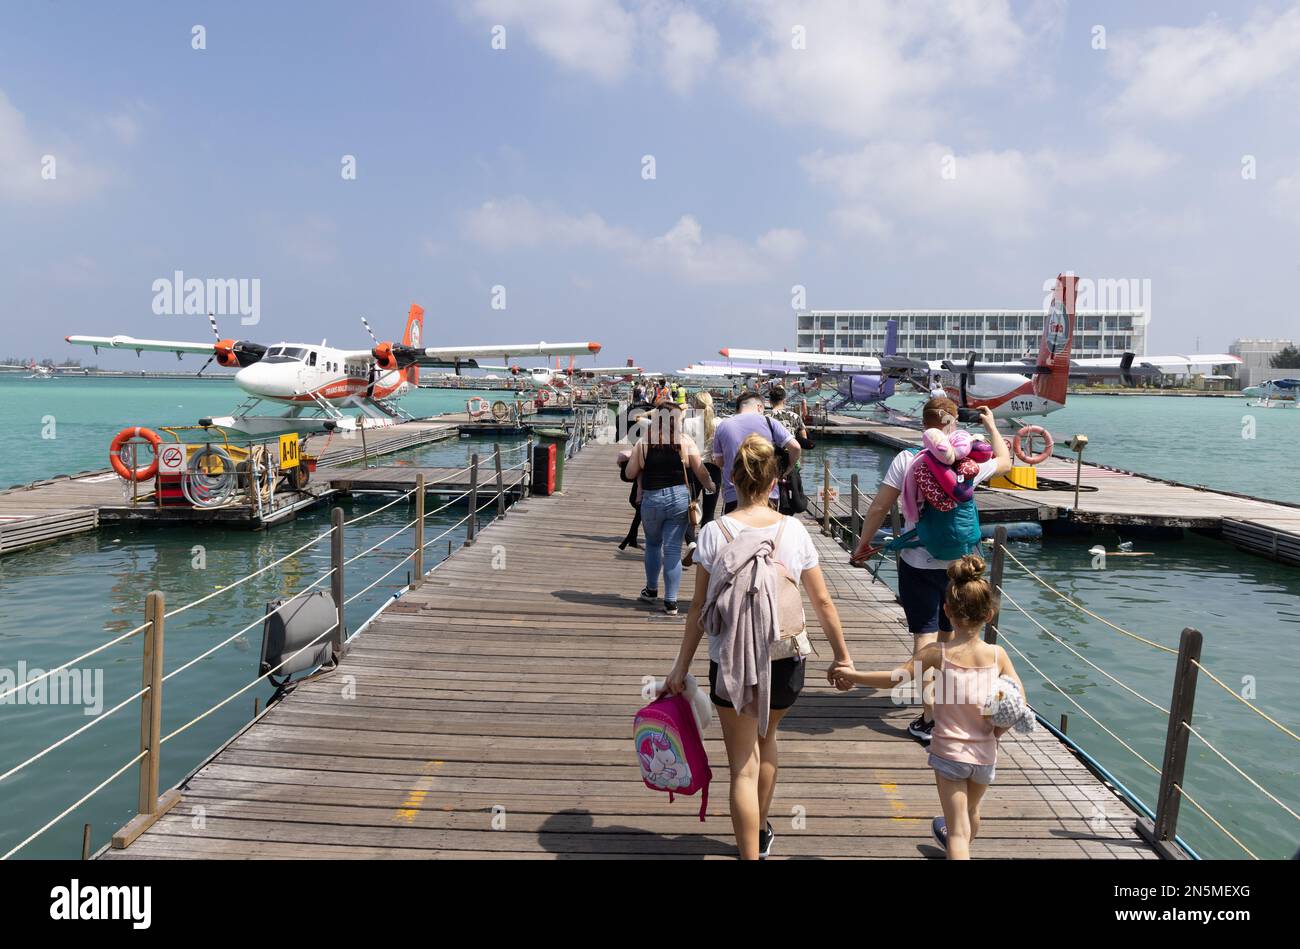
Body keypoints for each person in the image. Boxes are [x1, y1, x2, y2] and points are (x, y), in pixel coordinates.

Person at [665, 435, 855, 859]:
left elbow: (698, 607)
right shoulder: (794, 531)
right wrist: (842, 656)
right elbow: (822, 601)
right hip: (783, 658)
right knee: (767, 743)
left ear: (732, 480)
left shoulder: (714, 533)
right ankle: (762, 827)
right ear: (775, 483)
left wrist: (680, 668)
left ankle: (750, 850)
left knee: (741, 766)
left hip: (729, 662)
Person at [831, 554, 1026, 859]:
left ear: (946, 610)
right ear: (989, 615)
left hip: (949, 753)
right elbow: (1018, 701)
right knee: (971, 814)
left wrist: (854, 675)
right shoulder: (998, 656)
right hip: (986, 755)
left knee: (957, 833)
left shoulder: (937, 653)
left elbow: (895, 679)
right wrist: (998, 730)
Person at [849, 398, 1010, 744]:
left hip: (916, 562)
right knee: (951, 639)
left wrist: (862, 544)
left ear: (922, 424)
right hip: (960, 565)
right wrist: (992, 426)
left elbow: (879, 506)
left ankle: (929, 720)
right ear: (954, 424)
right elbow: (1006, 462)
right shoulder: (968, 465)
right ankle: (954, 712)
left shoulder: (908, 460)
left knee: (924, 638)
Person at [625, 396, 717, 616]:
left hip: (652, 499)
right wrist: (711, 486)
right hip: (678, 498)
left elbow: (629, 473)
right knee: (673, 549)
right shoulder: (685, 441)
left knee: (653, 545)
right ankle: (671, 601)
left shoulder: (644, 442)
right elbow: (700, 471)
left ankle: (651, 589)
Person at [712, 390, 801, 515]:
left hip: (735, 493)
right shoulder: (770, 423)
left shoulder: (723, 425)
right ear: (759, 407)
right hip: (767, 493)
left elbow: (719, 462)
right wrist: (787, 470)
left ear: (739, 407)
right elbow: (795, 448)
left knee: (734, 532)